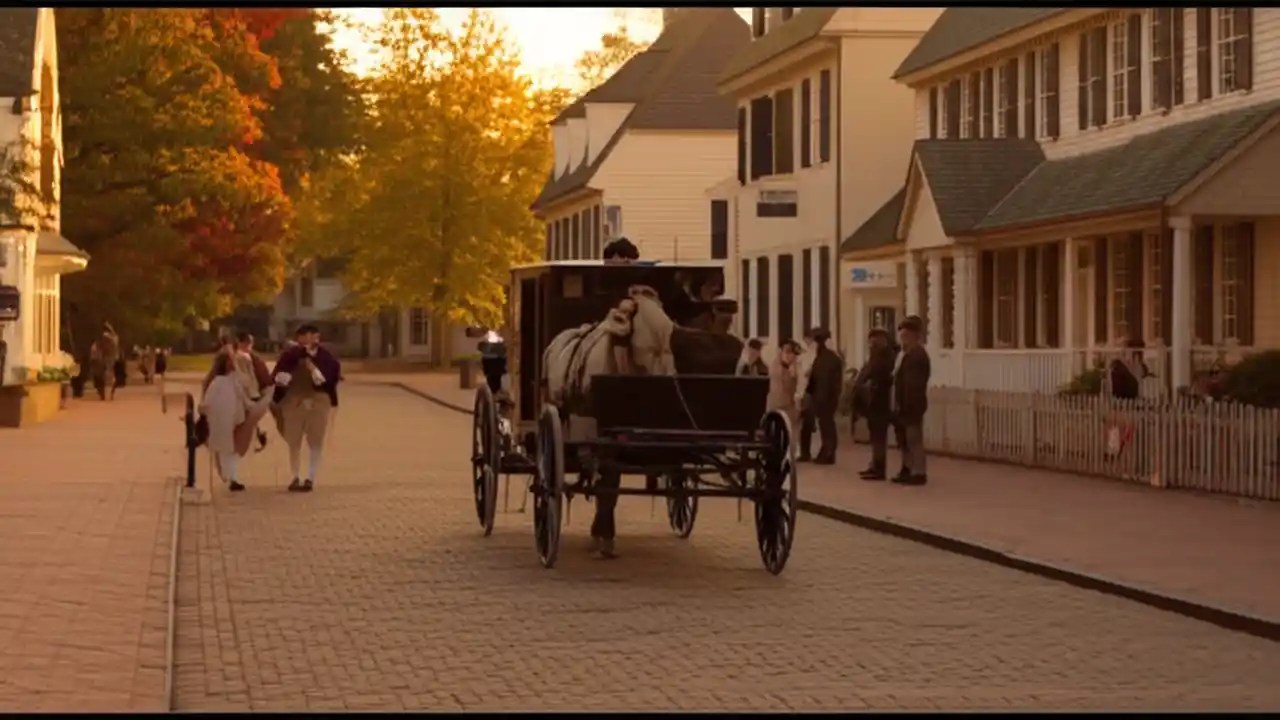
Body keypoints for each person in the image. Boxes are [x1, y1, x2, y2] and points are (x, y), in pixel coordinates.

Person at [271, 324, 342, 493]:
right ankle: (295, 476)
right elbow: (277, 376)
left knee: (315, 441)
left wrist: (314, 370)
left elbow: (330, 380)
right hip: (294, 401)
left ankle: (310, 477)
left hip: (318, 401)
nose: (306, 340)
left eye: (310, 336)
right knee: (294, 441)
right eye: (302, 336)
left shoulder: (327, 357)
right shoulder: (289, 356)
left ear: (316, 337)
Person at [199, 352, 251, 492]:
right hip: (221, 418)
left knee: (229, 449)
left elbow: (245, 386)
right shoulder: (218, 382)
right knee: (226, 449)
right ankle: (231, 477)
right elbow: (208, 401)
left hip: (234, 417)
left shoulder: (234, 379)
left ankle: (230, 476)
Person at [892, 315, 931, 485]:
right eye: (901, 335)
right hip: (903, 404)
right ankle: (907, 468)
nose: (902, 339)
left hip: (912, 404)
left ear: (915, 336)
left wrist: (907, 404)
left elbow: (913, 384)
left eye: (906, 335)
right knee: (905, 440)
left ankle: (918, 472)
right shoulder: (905, 355)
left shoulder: (917, 355)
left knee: (914, 439)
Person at [855, 328, 897, 480]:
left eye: (874, 341)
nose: (871, 344)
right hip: (872, 403)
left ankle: (879, 468)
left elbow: (879, 377)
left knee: (879, 437)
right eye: (870, 341)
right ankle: (875, 465)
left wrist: (867, 384)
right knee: (875, 437)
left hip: (880, 402)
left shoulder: (885, 358)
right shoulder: (876, 357)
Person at [804, 328, 844, 465]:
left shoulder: (825, 358)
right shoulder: (827, 357)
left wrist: (811, 393)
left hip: (824, 397)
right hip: (826, 396)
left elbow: (820, 379)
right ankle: (827, 452)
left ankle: (828, 452)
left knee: (826, 425)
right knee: (826, 424)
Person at [767, 339, 801, 430]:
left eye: (793, 354)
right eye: (787, 352)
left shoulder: (789, 367)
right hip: (780, 407)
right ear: (781, 352)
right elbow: (782, 390)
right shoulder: (778, 367)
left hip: (786, 406)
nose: (791, 357)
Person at [795, 329, 817, 461]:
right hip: (803, 391)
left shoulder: (812, 354)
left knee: (805, 424)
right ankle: (804, 451)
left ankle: (804, 452)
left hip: (806, 392)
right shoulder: (805, 355)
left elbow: (807, 373)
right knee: (803, 424)